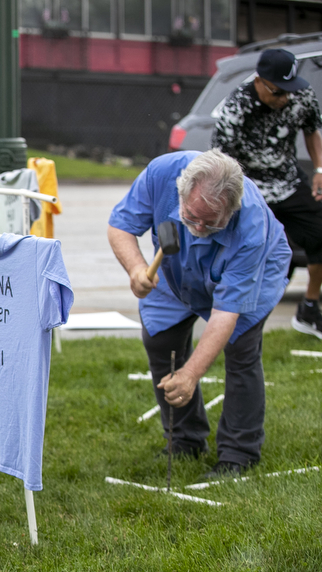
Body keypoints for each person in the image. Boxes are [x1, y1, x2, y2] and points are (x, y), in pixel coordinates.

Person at [108, 149, 291, 479]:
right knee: (161, 340)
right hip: (176, 268)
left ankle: (238, 455)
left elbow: (225, 314)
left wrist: (191, 374)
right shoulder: (161, 174)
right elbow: (120, 226)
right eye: (191, 217)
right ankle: (185, 440)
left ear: (232, 208)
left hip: (251, 272)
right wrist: (136, 268)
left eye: (212, 222)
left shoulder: (251, 227)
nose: (199, 227)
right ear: (181, 190)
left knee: (241, 349)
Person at [212, 48, 322, 339]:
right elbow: (223, 162)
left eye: (290, 89)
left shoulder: (301, 95)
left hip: (288, 182)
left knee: (319, 233)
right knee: (253, 250)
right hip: (249, 188)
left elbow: (312, 129)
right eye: (278, 92)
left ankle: (310, 308)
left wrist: (320, 169)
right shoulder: (237, 106)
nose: (285, 98)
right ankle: (236, 314)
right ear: (259, 81)